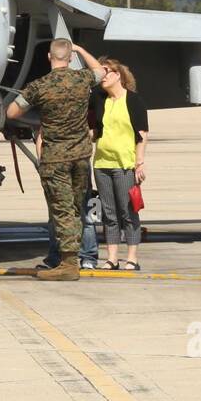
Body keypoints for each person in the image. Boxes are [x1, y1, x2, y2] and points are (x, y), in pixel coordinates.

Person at [5, 39, 104, 281]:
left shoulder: (40, 86)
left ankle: (68, 265)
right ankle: (81, 256)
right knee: (75, 208)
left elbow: (12, 113)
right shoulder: (82, 79)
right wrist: (81, 49)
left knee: (61, 211)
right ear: (70, 58)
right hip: (81, 155)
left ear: (49, 58)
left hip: (55, 159)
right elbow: (100, 71)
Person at [88, 58, 148, 271]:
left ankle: (132, 257)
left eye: (106, 72)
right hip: (102, 163)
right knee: (109, 213)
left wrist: (139, 163)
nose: (102, 77)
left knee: (128, 211)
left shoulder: (133, 100)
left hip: (125, 165)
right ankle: (112, 258)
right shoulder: (99, 99)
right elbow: (94, 130)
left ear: (117, 75)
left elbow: (142, 135)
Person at [35, 128, 99, 271]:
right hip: (60, 166)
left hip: (68, 166)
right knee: (59, 216)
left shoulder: (78, 111)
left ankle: (86, 256)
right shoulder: (64, 111)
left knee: (81, 215)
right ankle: (57, 257)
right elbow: (41, 134)